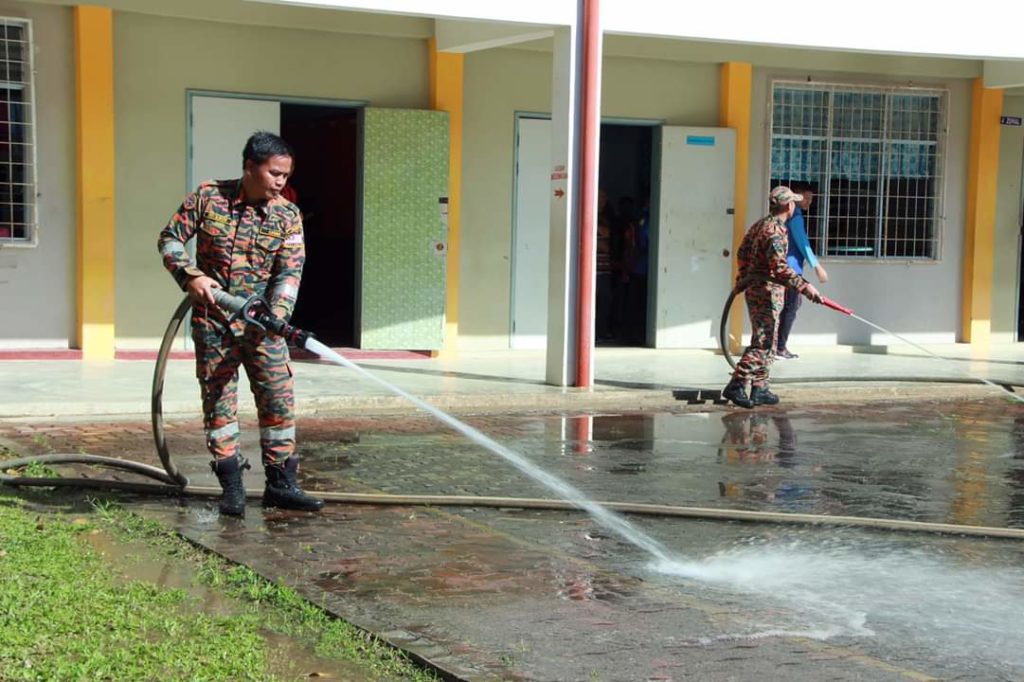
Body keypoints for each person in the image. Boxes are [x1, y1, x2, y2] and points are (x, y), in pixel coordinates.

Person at [158, 131, 324, 516]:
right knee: (218, 403)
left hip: (263, 327)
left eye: (286, 174)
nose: (281, 182)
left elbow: (290, 272)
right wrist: (190, 276)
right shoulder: (208, 197)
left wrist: (278, 317)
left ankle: (281, 484)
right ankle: (231, 485)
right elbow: (169, 239)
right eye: (274, 173)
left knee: (277, 400)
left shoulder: (287, 215)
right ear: (250, 167)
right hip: (214, 323)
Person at [722, 186, 822, 409]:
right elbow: (780, 268)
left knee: (770, 340)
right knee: (764, 341)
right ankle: (736, 384)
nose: (795, 205)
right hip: (766, 291)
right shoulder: (774, 231)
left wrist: (744, 276)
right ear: (789, 206)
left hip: (759, 287)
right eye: (794, 202)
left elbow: (742, 252)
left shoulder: (760, 225)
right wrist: (806, 287)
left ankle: (760, 387)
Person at [776, 186, 828, 359]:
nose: (808, 202)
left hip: (783, 268)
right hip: (791, 270)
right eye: (805, 198)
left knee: (786, 307)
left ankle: (777, 346)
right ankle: (780, 348)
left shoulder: (779, 220)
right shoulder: (796, 216)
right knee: (791, 307)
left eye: (811, 199)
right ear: (792, 201)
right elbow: (802, 242)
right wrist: (817, 267)